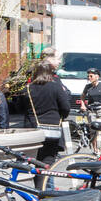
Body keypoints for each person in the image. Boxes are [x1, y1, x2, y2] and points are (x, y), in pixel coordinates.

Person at [25, 61, 71, 189]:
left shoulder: (28, 88)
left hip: (33, 129)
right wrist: (60, 116)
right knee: (47, 161)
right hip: (52, 128)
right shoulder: (56, 87)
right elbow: (66, 107)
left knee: (35, 161)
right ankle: (45, 191)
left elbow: (20, 107)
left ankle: (40, 189)